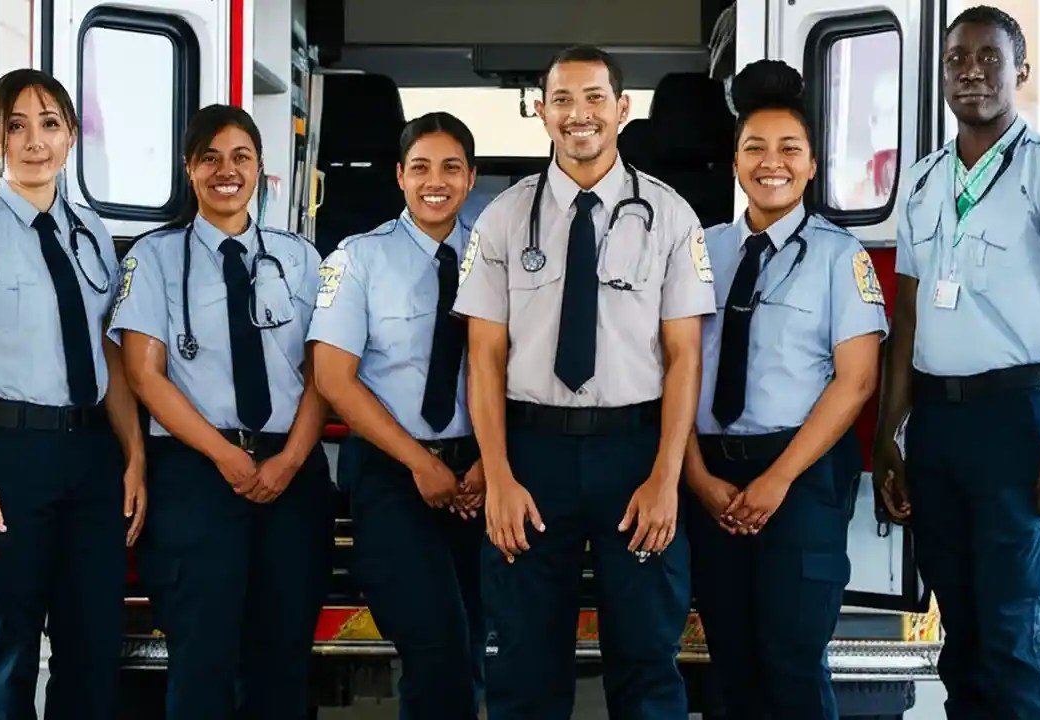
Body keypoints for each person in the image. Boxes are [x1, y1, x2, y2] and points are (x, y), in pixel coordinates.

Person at [453, 45, 716, 719]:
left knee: (648, 658)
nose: (580, 115)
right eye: (563, 101)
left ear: (623, 109)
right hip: (531, 455)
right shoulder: (503, 219)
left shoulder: (672, 216)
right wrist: (499, 476)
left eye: (595, 98)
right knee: (524, 662)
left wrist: (666, 478)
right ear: (541, 113)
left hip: (635, 450)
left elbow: (685, 356)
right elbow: (483, 356)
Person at [873, 7, 1040, 718]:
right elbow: (908, 321)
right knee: (965, 637)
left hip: (1017, 424)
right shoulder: (920, 183)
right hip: (940, 429)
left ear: (1021, 73)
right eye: (956, 59)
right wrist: (891, 435)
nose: (970, 70)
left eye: (988, 58)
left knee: (1013, 637)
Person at [0, 68, 146, 719]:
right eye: (16, 125)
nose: (34, 140)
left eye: (49, 123)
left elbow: (110, 354)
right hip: (3, 460)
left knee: (92, 652)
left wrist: (133, 456)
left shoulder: (91, 233)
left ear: (71, 135)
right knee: (8, 652)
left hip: (92, 460)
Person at [107, 104, 334, 720]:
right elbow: (144, 375)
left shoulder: (304, 260)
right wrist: (225, 454)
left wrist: (290, 458)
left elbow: (325, 373)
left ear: (263, 168)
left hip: (292, 477)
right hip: (196, 478)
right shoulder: (152, 259)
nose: (226, 171)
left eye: (241, 157)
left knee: (282, 661)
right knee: (202, 660)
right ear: (189, 169)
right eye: (210, 157)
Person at [684, 59, 887, 718]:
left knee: (792, 661)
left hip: (799, 478)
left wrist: (778, 480)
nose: (771, 162)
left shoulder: (840, 256)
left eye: (789, 149)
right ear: (736, 163)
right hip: (711, 478)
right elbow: (672, 371)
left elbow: (856, 382)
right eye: (755, 149)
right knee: (729, 667)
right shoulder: (697, 252)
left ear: (811, 166)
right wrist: (695, 477)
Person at [309, 111, 486, 720]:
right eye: (420, 168)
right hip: (391, 475)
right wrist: (420, 464)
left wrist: (490, 463)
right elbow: (334, 378)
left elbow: (518, 371)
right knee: (435, 646)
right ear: (399, 177)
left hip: (481, 481)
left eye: (451, 168)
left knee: (470, 651)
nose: (435, 181)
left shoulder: (502, 262)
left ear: (470, 179)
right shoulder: (356, 259)